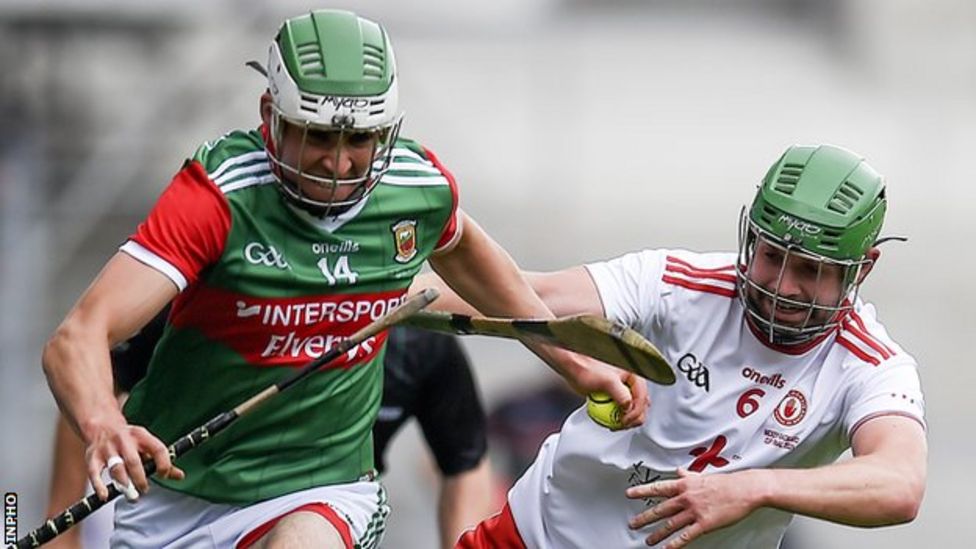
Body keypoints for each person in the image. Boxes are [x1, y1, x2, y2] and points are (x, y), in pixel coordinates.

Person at [40, 9, 647, 549]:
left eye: (359, 139)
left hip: (325, 489)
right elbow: (77, 338)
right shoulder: (218, 195)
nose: (338, 162)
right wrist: (103, 426)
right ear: (270, 117)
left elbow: (465, 251)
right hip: (178, 497)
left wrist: (574, 361)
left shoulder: (416, 188)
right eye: (317, 137)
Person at [416, 144, 928, 548]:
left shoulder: (870, 367)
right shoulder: (678, 283)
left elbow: (900, 483)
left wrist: (752, 488)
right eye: (772, 256)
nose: (782, 286)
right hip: (534, 538)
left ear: (863, 269)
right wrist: (378, 296)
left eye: (811, 271)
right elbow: (532, 295)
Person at [45, 313, 495, 549]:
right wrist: (61, 532)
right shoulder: (224, 302)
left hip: (316, 511)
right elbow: (94, 389)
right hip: (181, 504)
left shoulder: (424, 349)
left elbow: (466, 464)